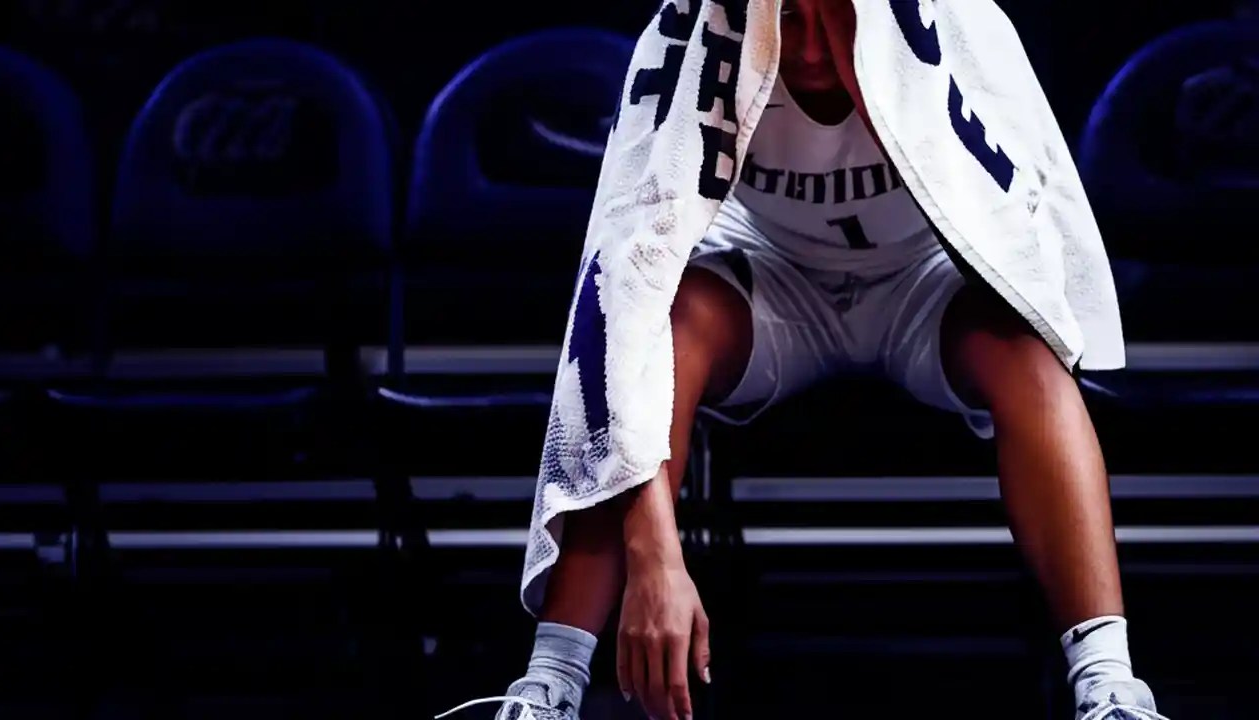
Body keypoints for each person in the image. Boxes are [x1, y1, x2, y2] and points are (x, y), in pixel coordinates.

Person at [441, 2, 1167, 719]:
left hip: (924, 277)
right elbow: (618, 305)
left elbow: (1029, 241)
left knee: (1027, 351)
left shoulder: (958, 23)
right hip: (771, 278)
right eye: (792, 13)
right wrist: (656, 559)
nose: (812, 43)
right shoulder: (695, 33)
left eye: (835, 14)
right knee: (665, 319)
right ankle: (548, 688)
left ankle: (1110, 687)